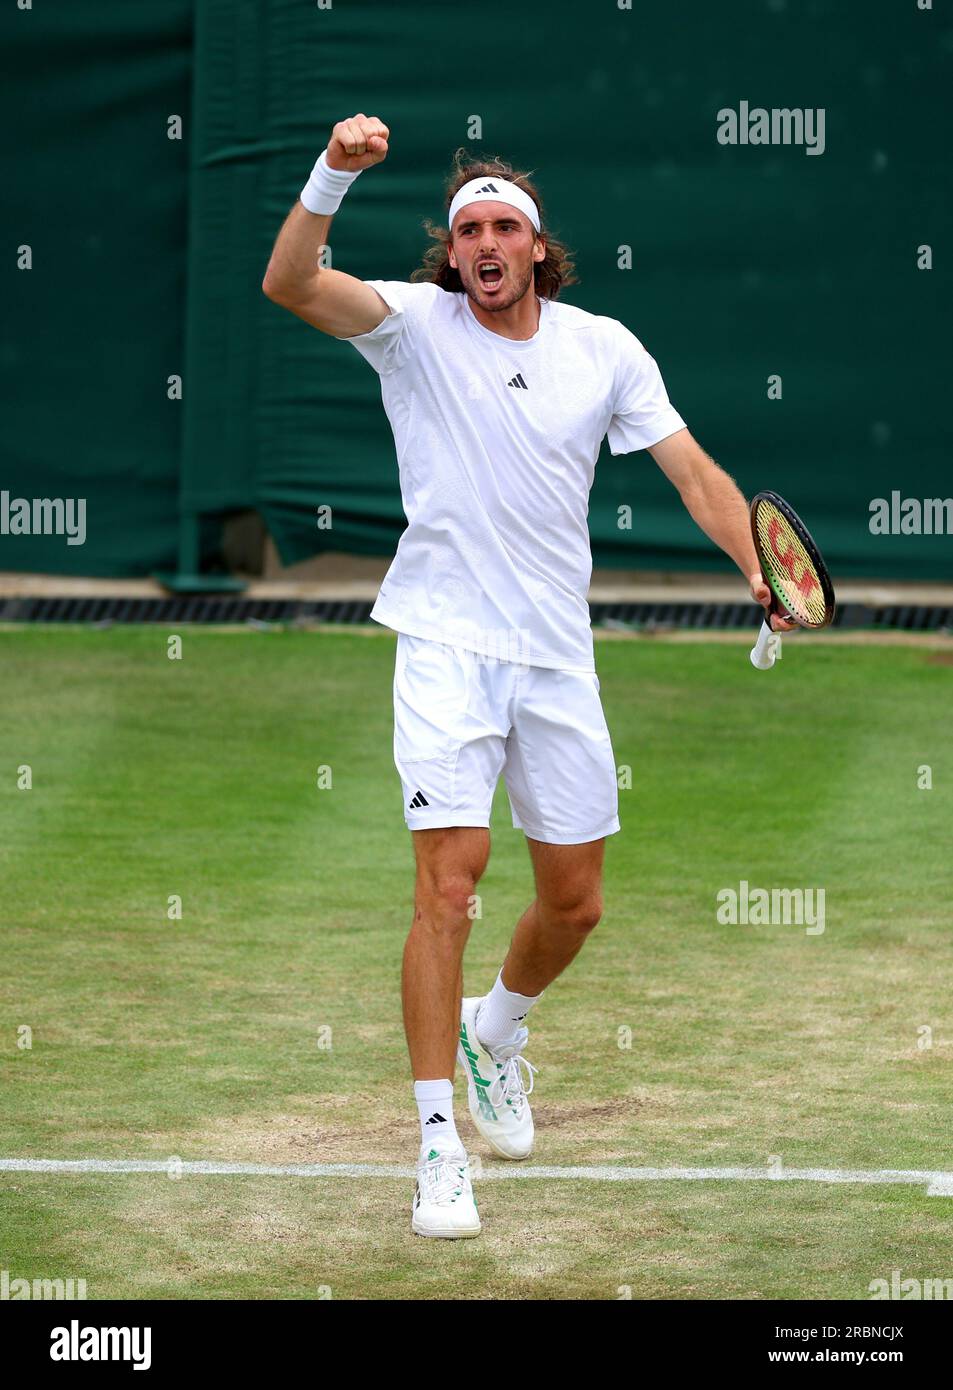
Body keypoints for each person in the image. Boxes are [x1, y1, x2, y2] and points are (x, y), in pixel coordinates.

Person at [262, 113, 792, 1239]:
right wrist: (331, 175)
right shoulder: (411, 328)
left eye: (506, 227)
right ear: (450, 256)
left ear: (536, 248)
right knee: (449, 883)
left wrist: (755, 563)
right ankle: (434, 1146)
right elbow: (290, 283)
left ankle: (493, 1030)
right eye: (469, 231)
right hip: (443, 646)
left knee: (573, 901)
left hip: (554, 655)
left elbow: (692, 473)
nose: (487, 244)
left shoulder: (604, 348)